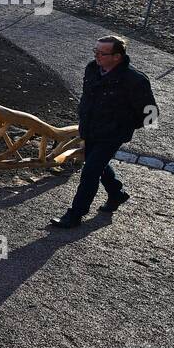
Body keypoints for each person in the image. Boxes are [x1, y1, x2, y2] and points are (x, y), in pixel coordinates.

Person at [51, 35, 157, 228]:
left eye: (102, 53)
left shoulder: (135, 80)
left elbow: (151, 114)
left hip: (111, 135)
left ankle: (75, 215)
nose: (97, 56)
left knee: (90, 171)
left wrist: (124, 126)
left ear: (117, 56)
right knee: (97, 164)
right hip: (90, 129)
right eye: (96, 51)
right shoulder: (92, 68)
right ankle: (116, 193)